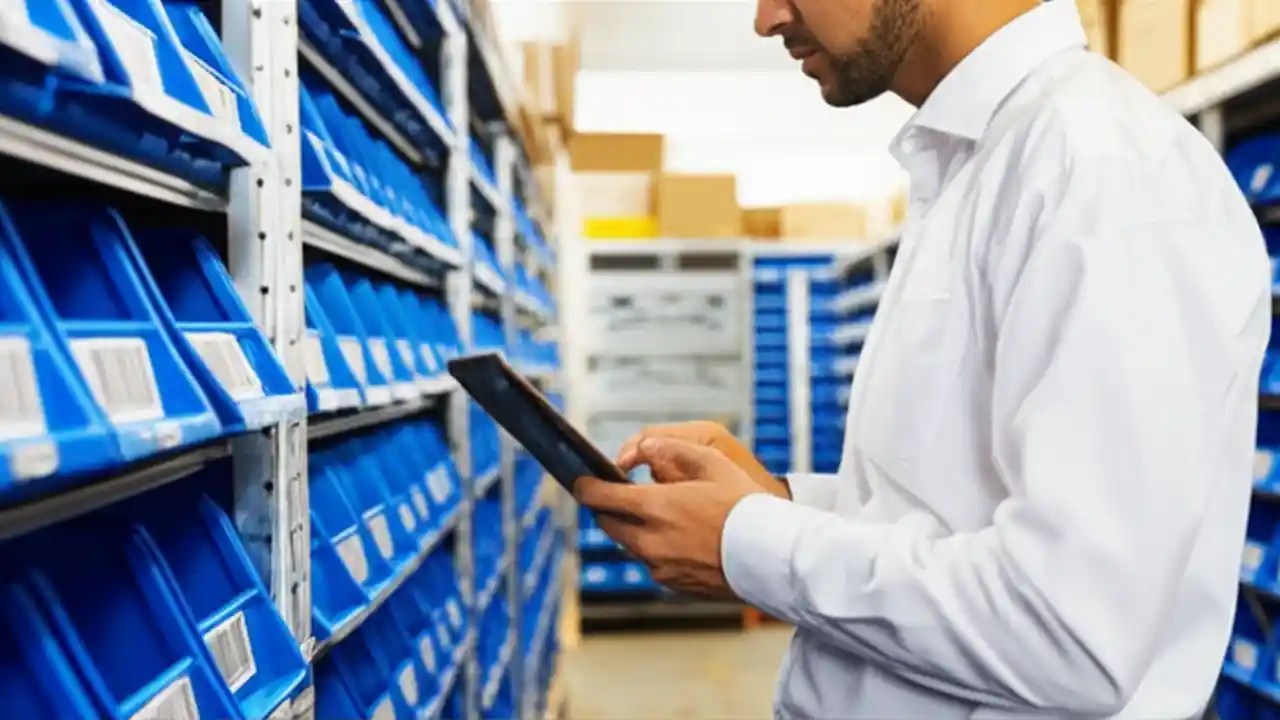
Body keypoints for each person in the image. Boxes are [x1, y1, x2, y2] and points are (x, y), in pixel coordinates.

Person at [574, 0, 1272, 716]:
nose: (766, 17)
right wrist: (775, 504)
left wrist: (749, 543)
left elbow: (1072, 628)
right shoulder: (985, 160)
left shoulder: (1105, 174)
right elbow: (951, 508)